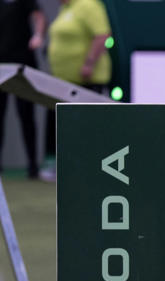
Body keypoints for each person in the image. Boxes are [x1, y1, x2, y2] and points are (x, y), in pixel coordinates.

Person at [43, 0, 112, 175]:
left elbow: (102, 35)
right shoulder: (66, 8)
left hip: (87, 80)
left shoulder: (89, 5)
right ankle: (62, 167)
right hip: (63, 80)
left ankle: (94, 166)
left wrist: (89, 63)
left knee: (88, 125)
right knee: (60, 125)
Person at [0, 0, 46, 179]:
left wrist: (38, 35)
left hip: (22, 68)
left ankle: (33, 166)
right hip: (1, 68)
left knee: (26, 116)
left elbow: (39, 17)